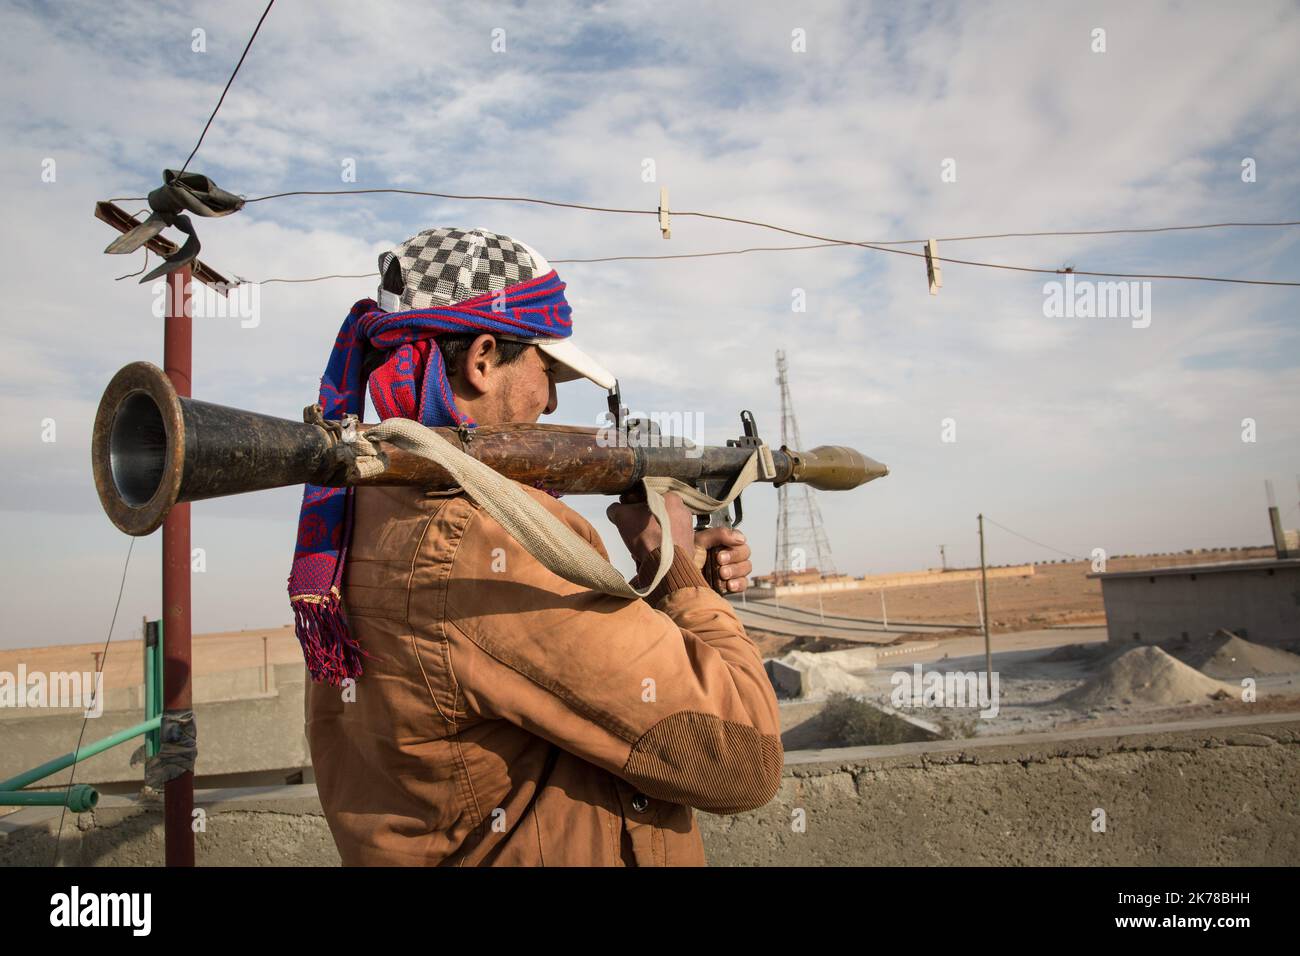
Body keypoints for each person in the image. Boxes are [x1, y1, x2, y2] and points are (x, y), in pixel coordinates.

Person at [292, 227, 782, 866]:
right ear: (484, 358)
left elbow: (543, 693)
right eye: (546, 371)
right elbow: (744, 759)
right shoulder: (487, 538)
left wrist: (670, 588)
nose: (551, 401)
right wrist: (680, 573)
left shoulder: (366, 510)